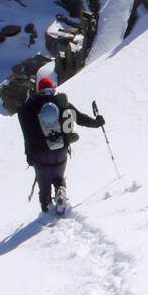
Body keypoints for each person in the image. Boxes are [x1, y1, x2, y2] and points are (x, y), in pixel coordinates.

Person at [17, 73, 105, 214]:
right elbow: (80, 118)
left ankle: (47, 213)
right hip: (61, 151)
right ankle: (61, 190)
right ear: (53, 88)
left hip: (40, 156)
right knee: (59, 178)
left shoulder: (30, 106)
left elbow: (27, 134)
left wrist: (29, 155)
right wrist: (97, 122)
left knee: (44, 190)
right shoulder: (61, 102)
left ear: (38, 90)